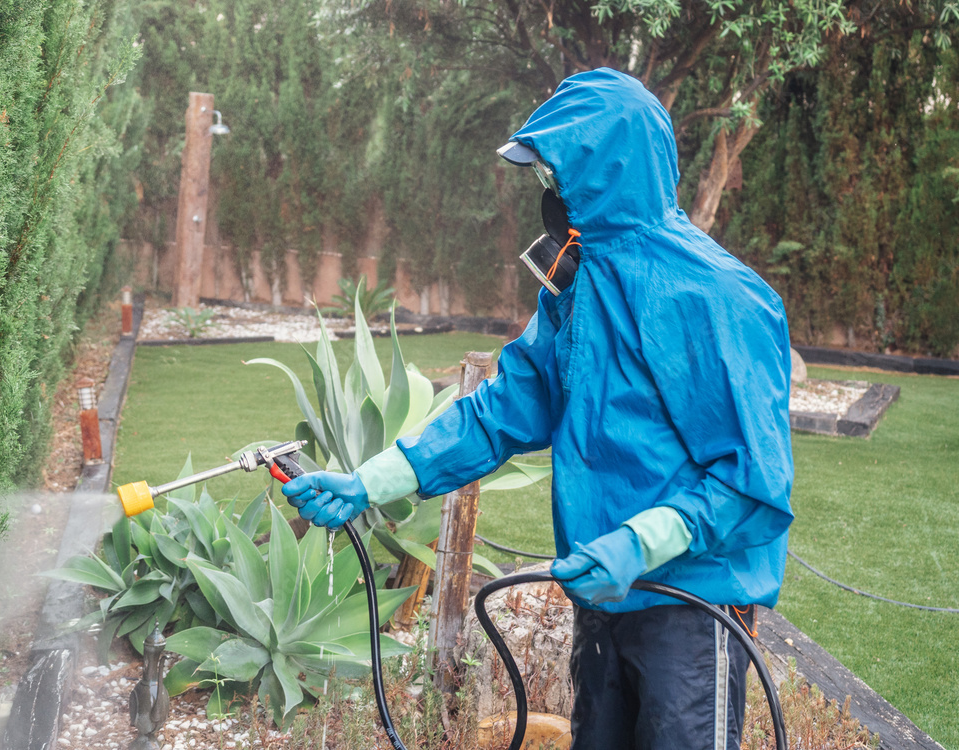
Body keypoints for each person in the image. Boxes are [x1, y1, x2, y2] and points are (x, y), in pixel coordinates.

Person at [282, 67, 794, 750]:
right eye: (544, 176)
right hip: (607, 603)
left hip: (692, 613)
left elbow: (752, 483)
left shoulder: (718, 298)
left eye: (556, 171)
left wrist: (640, 542)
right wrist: (372, 481)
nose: (548, 191)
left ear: (607, 168)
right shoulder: (577, 288)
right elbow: (500, 411)